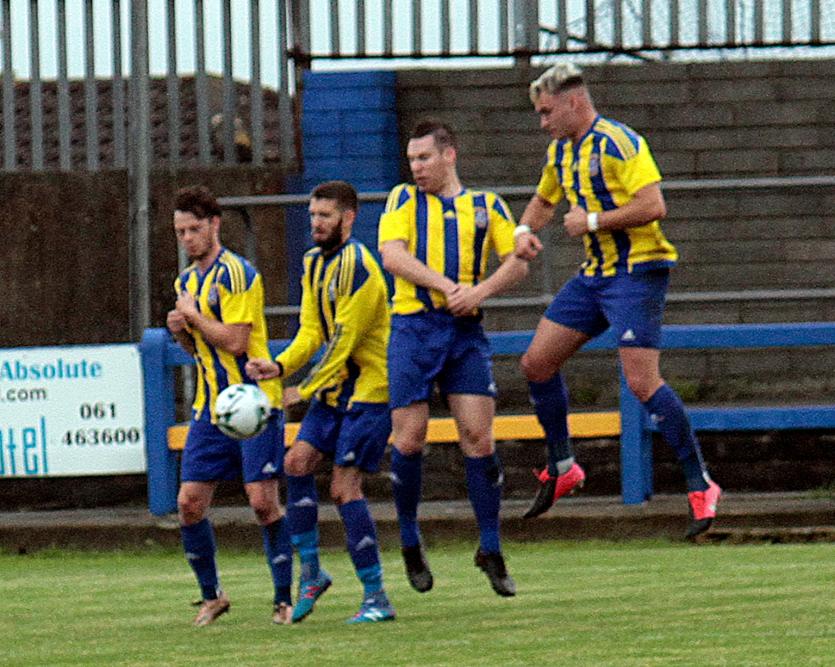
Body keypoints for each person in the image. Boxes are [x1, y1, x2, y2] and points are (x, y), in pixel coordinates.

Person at [514, 63, 721, 538]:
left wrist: (591, 222)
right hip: (596, 275)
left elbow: (653, 205)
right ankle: (563, 465)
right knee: (536, 364)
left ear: (574, 102)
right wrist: (524, 230)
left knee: (642, 382)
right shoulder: (560, 151)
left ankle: (700, 481)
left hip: (638, 272)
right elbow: (545, 200)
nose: (542, 123)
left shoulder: (619, 143)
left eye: (547, 112)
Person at [378, 120, 530, 597]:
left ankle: (490, 547)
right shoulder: (403, 200)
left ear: (450, 155)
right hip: (413, 329)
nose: (416, 167)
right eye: (412, 159)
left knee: (478, 438)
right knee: (409, 438)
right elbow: (392, 256)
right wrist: (448, 287)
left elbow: (517, 259)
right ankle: (409, 538)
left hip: (464, 333)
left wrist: (479, 292)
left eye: (424, 157)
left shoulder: (487, 206)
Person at [246, 181, 396, 624]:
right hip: (334, 390)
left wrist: (304, 389)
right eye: (313, 215)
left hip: (369, 390)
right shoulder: (313, 263)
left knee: (344, 488)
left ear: (348, 218)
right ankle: (311, 573)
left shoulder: (360, 268)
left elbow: (345, 340)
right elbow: (311, 331)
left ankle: (376, 596)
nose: (315, 223)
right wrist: (279, 366)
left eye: (324, 216)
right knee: (296, 464)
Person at [166, 185, 293, 626]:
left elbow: (236, 341)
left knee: (262, 503)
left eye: (194, 229)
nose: (187, 239)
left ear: (214, 224)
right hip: (211, 409)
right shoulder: (186, 283)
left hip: (254, 404)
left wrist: (193, 317)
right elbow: (198, 349)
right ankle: (212, 595)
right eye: (181, 232)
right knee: (189, 504)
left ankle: (284, 598)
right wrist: (181, 332)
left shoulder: (237, 274)